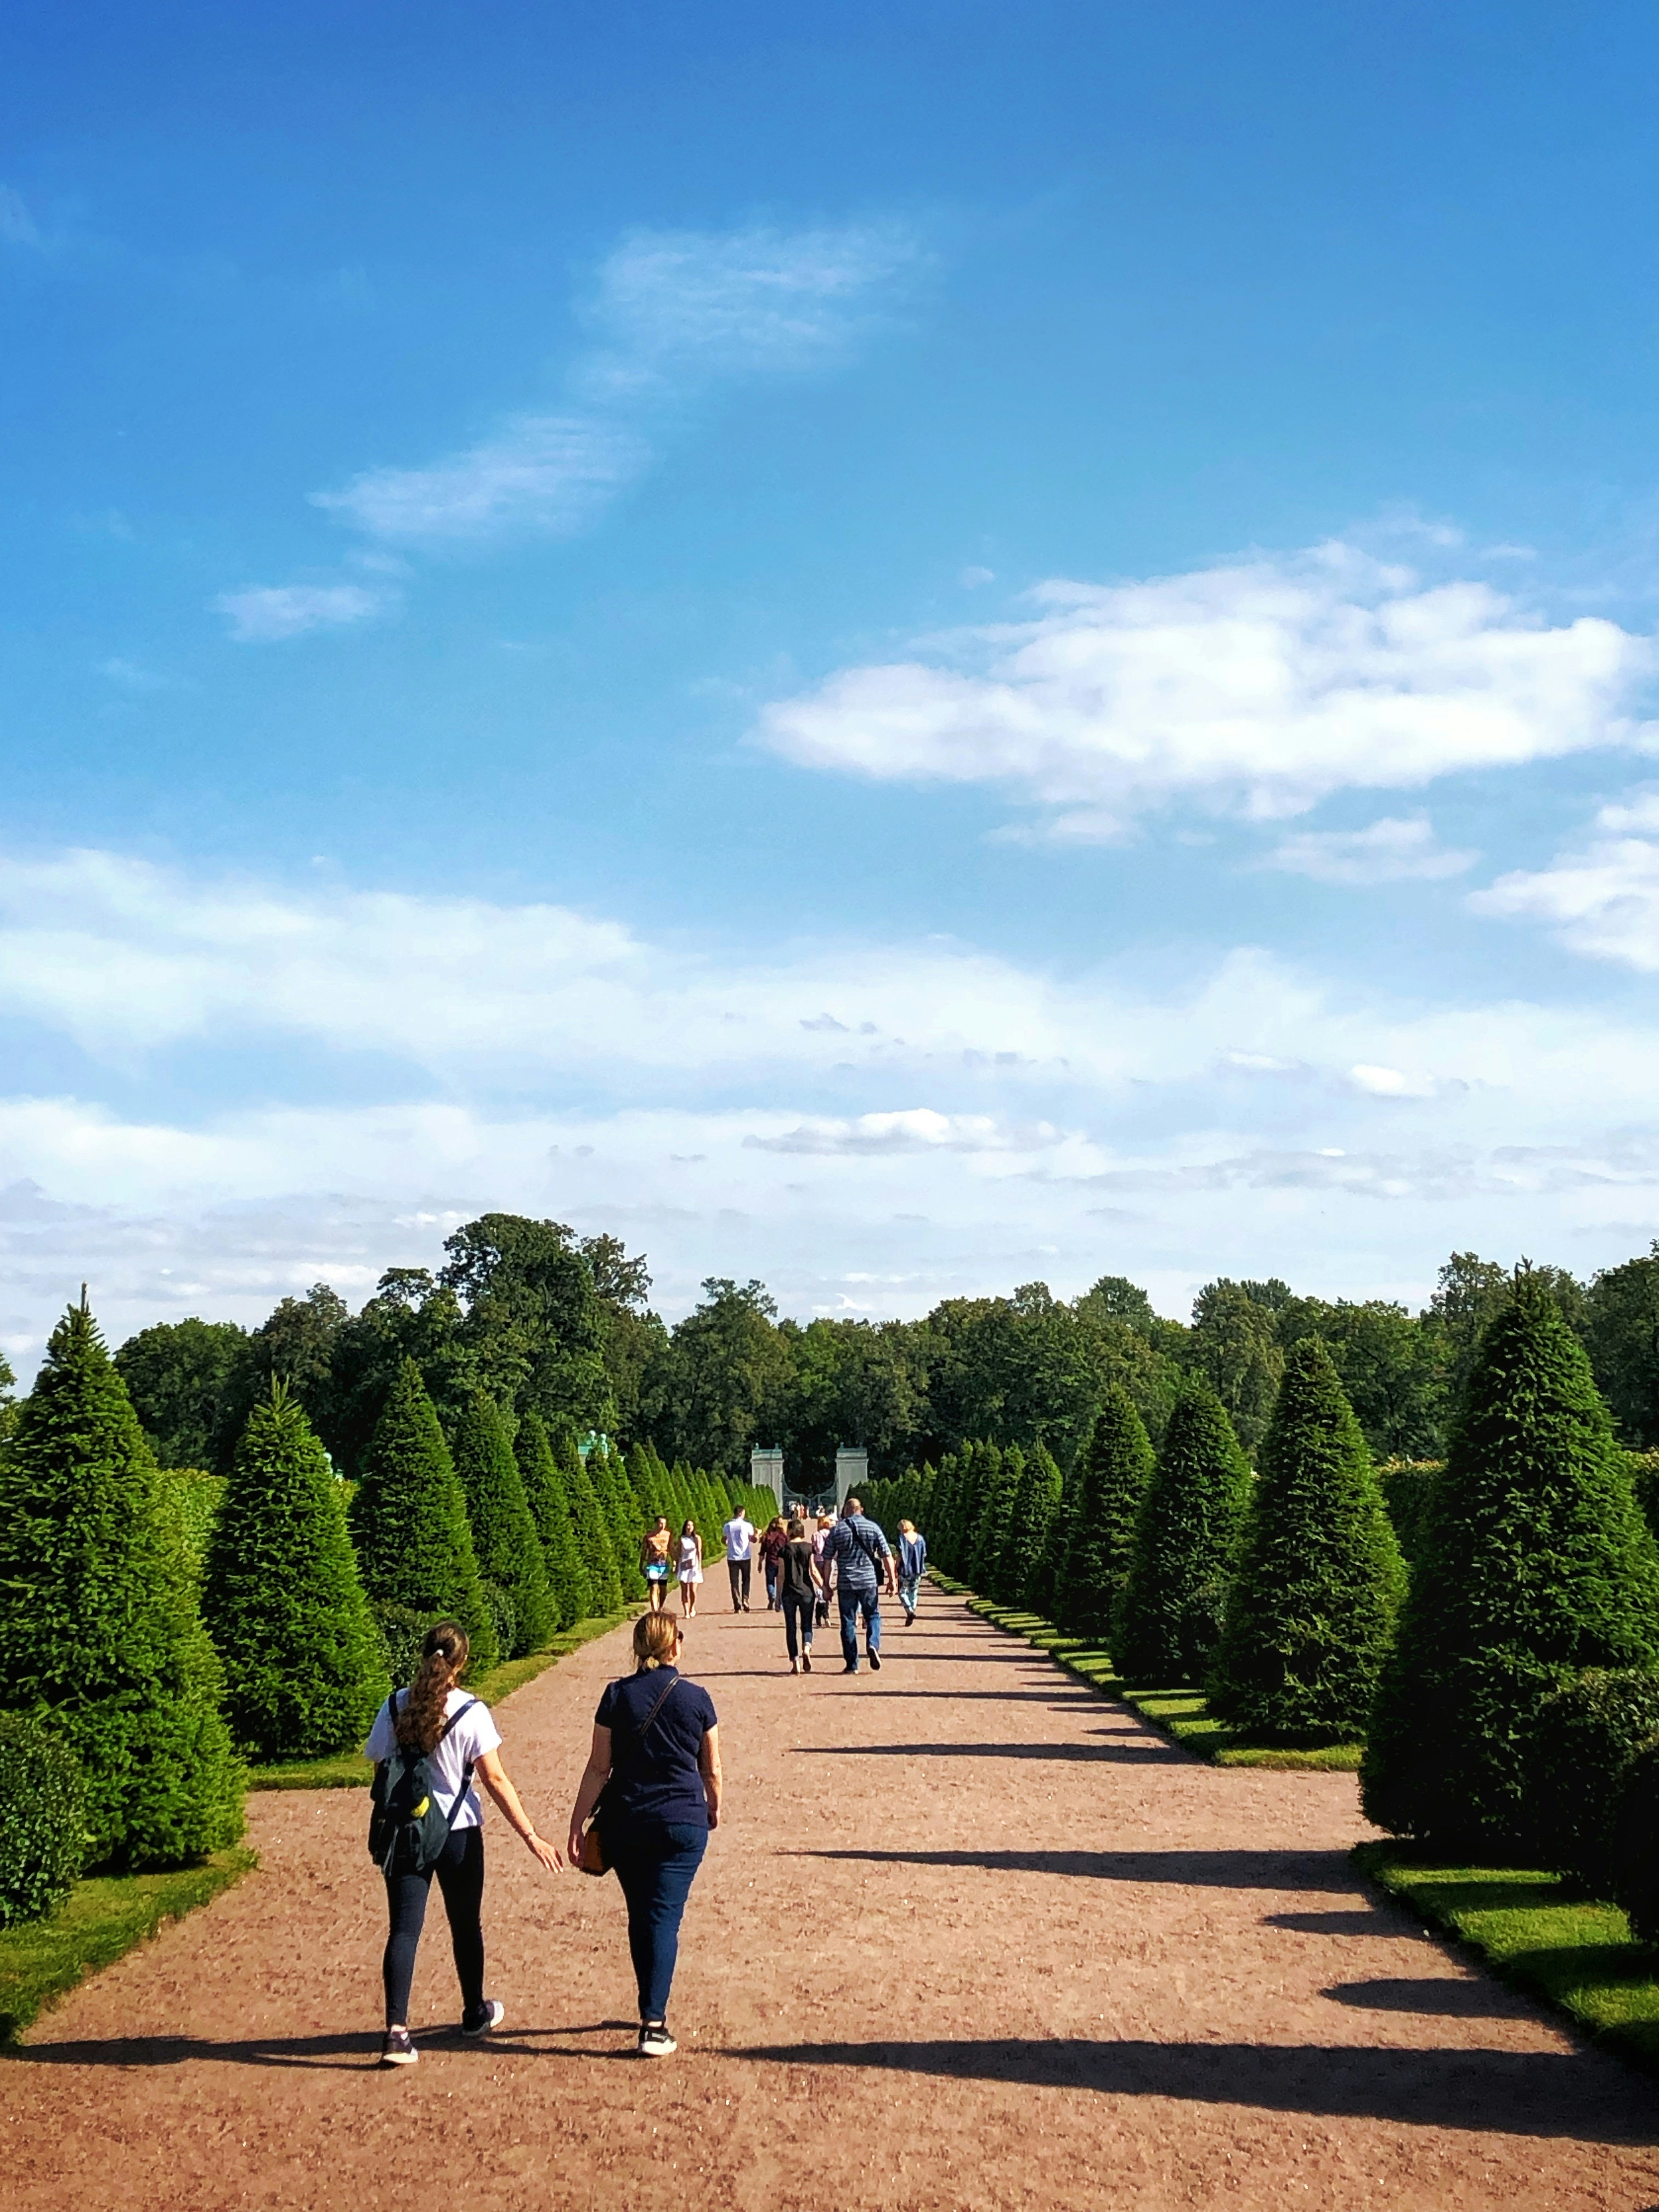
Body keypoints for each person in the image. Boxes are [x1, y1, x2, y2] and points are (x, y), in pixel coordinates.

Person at [366, 1620, 561, 2068]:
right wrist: (530, 1834)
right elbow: (494, 1778)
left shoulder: (396, 1704)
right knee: (465, 1925)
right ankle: (474, 2011)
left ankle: (396, 2032)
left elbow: (379, 1765)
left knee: (404, 1930)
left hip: (408, 1832)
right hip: (458, 1832)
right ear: (462, 1662)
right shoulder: (471, 1711)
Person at [567, 1611, 721, 2058]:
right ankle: (653, 2023)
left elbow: (599, 1767)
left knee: (644, 1916)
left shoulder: (616, 1695)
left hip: (628, 1821)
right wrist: (714, 1804)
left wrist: (577, 1821)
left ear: (638, 1648)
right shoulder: (697, 1698)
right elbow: (711, 1768)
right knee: (663, 1917)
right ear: (674, 1647)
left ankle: (650, 2009)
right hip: (681, 1822)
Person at [821, 1496, 895, 1675]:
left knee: (847, 1621)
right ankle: (873, 1644)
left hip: (846, 1581)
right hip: (869, 1581)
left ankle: (852, 1664)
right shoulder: (873, 1527)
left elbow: (827, 1560)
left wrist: (826, 1585)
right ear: (861, 1509)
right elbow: (886, 1555)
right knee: (873, 1616)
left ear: (846, 1511)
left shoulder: (837, 1530)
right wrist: (893, 1579)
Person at [778, 1515, 824, 1673]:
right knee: (807, 1625)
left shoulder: (784, 1550)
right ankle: (806, 1648)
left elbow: (781, 1575)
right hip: (807, 1592)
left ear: (790, 1531)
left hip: (789, 1592)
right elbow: (813, 1570)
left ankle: (795, 1661)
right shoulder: (809, 1548)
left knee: (791, 1627)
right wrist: (824, 1587)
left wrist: (777, 1597)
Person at [722, 1505, 757, 1612]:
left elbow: (724, 1540)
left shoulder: (728, 1526)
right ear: (741, 1513)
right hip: (745, 1556)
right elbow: (753, 1539)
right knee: (746, 1580)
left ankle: (737, 1604)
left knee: (734, 1581)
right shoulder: (747, 1526)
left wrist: (728, 1544)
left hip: (732, 1556)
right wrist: (758, 1535)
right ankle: (745, 1599)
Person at [896, 1519, 928, 1625]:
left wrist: (896, 1568)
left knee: (902, 1592)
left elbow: (900, 1556)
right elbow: (924, 1554)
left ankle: (909, 1610)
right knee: (914, 1591)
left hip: (905, 1570)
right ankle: (912, 1610)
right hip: (917, 1569)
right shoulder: (920, 1538)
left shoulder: (902, 1539)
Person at [641, 1516, 673, 1614]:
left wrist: (675, 1560)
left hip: (664, 1564)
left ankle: (660, 1607)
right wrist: (642, 1563)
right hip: (652, 1564)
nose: (662, 1526)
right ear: (656, 1524)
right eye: (660, 1523)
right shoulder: (649, 1536)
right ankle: (654, 1610)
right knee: (654, 1586)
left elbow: (671, 1548)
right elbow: (644, 1551)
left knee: (663, 1588)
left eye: (664, 1524)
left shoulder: (668, 1535)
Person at [759, 1515, 789, 1611]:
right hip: (781, 1562)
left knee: (770, 1581)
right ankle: (780, 1602)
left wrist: (760, 1563)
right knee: (782, 1583)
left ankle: (772, 1595)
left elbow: (763, 1551)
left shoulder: (767, 1536)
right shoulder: (783, 1536)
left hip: (770, 1561)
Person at [677, 1519, 704, 1618]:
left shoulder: (696, 1538)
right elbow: (679, 1552)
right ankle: (686, 1611)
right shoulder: (682, 1539)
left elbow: (699, 1552)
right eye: (688, 1525)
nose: (690, 1527)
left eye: (692, 1525)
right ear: (685, 1527)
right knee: (684, 1590)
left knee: (693, 1590)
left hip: (694, 1566)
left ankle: (692, 1607)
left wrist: (700, 1565)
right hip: (684, 1565)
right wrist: (676, 1564)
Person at [812, 1511, 835, 1628]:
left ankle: (822, 1614)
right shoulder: (831, 1534)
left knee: (821, 1586)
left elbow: (818, 1549)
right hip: (830, 1561)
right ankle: (826, 1614)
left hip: (819, 1560)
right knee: (828, 1585)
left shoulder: (816, 1534)